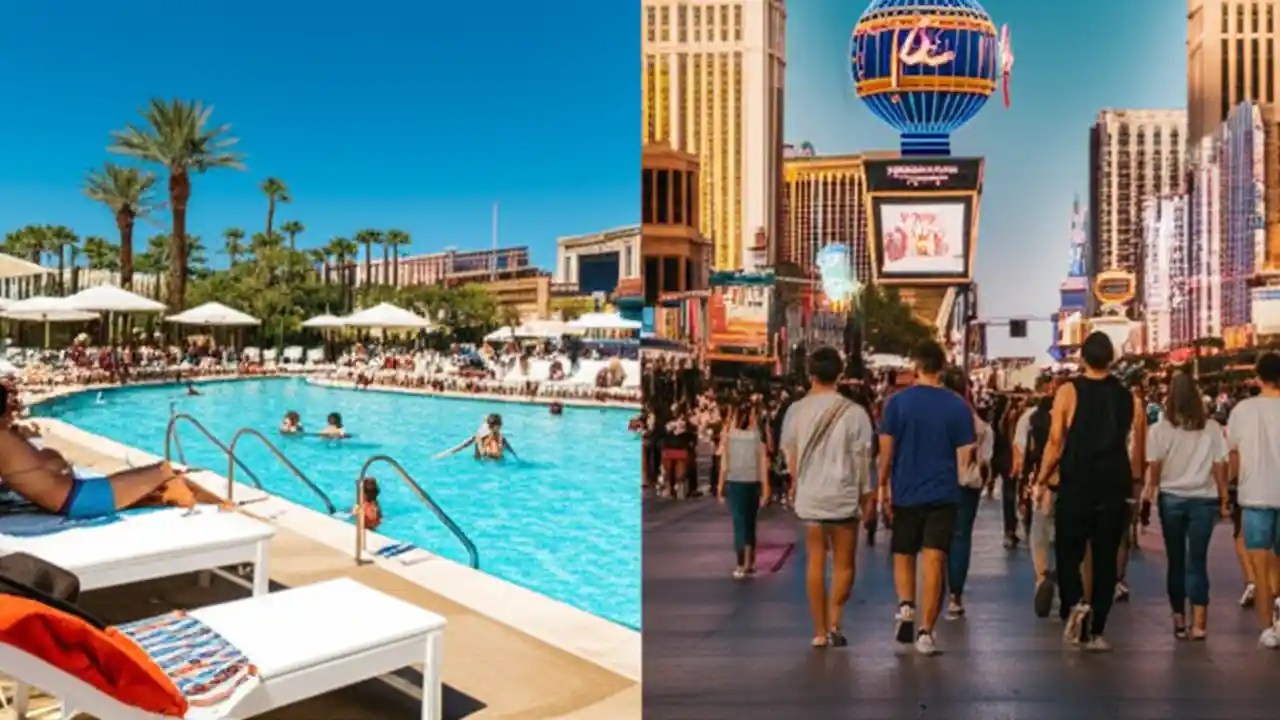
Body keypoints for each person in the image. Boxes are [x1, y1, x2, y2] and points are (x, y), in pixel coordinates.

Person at [1035, 332, 1145, 651]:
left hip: (1077, 481)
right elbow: (1136, 448)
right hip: (1114, 483)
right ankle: (1098, 630)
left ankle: (1075, 605)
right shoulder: (1130, 398)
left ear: (1083, 358)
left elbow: (1056, 442)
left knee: (1069, 552)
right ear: (1111, 359)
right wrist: (1136, 487)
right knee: (1106, 558)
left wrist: (1042, 478)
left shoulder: (1069, 391)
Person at [0, 381, 227, 519]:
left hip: (71, 496)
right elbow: (51, 463)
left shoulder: (7, 440)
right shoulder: (5, 439)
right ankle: (226, 509)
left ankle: (190, 502)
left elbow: (45, 466)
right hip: (78, 499)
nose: (14, 410)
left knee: (160, 487)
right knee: (166, 471)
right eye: (10, 406)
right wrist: (53, 463)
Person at [878, 341, 975, 656]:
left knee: (904, 553)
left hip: (905, 490)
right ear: (942, 368)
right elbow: (965, 459)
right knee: (935, 558)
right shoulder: (958, 406)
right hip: (943, 493)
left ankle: (906, 605)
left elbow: (886, 453)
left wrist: (881, 486)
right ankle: (926, 632)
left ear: (915, 367)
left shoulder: (896, 404)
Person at [781, 347, 875, 649]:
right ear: (840, 374)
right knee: (845, 564)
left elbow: (791, 458)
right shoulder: (855, 413)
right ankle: (836, 621)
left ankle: (819, 631)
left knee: (815, 563)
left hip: (811, 496)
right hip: (844, 495)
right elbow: (863, 459)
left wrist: (800, 481)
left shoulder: (796, 411)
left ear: (810, 374)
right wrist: (867, 494)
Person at [1142, 371, 1229, 640]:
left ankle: (1179, 621)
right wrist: (1225, 498)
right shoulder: (1212, 428)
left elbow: (1154, 467)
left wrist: (1150, 492)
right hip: (1204, 499)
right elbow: (1220, 465)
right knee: (1197, 562)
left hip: (1172, 499)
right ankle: (1200, 624)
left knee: (1176, 561)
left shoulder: (1159, 430)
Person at [1227, 352, 1280, 648]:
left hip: (1255, 495)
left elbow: (1233, 453)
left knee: (1260, 568)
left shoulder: (1242, 411)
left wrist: (1229, 486)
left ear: (1258, 377)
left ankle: (1267, 628)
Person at [942, 369, 992, 620]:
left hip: (939, 481)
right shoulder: (975, 420)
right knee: (961, 536)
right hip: (967, 485)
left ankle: (935, 588)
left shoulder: (939, 416)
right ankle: (955, 595)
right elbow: (986, 457)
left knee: (938, 537)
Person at [717, 393, 770, 580]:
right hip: (753, 482)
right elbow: (763, 462)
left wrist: (720, 486)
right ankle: (750, 563)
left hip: (735, 482)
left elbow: (724, 464)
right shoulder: (756, 438)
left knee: (738, 523)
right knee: (750, 523)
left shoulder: (729, 437)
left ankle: (740, 564)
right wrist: (766, 487)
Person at [436, 414, 517, 460]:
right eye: (500, 424)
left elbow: (463, 445)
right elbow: (463, 445)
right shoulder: (482, 435)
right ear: (496, 426)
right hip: (483, 461)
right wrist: (444, 454)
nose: (502, 425)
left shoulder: (498, 436)